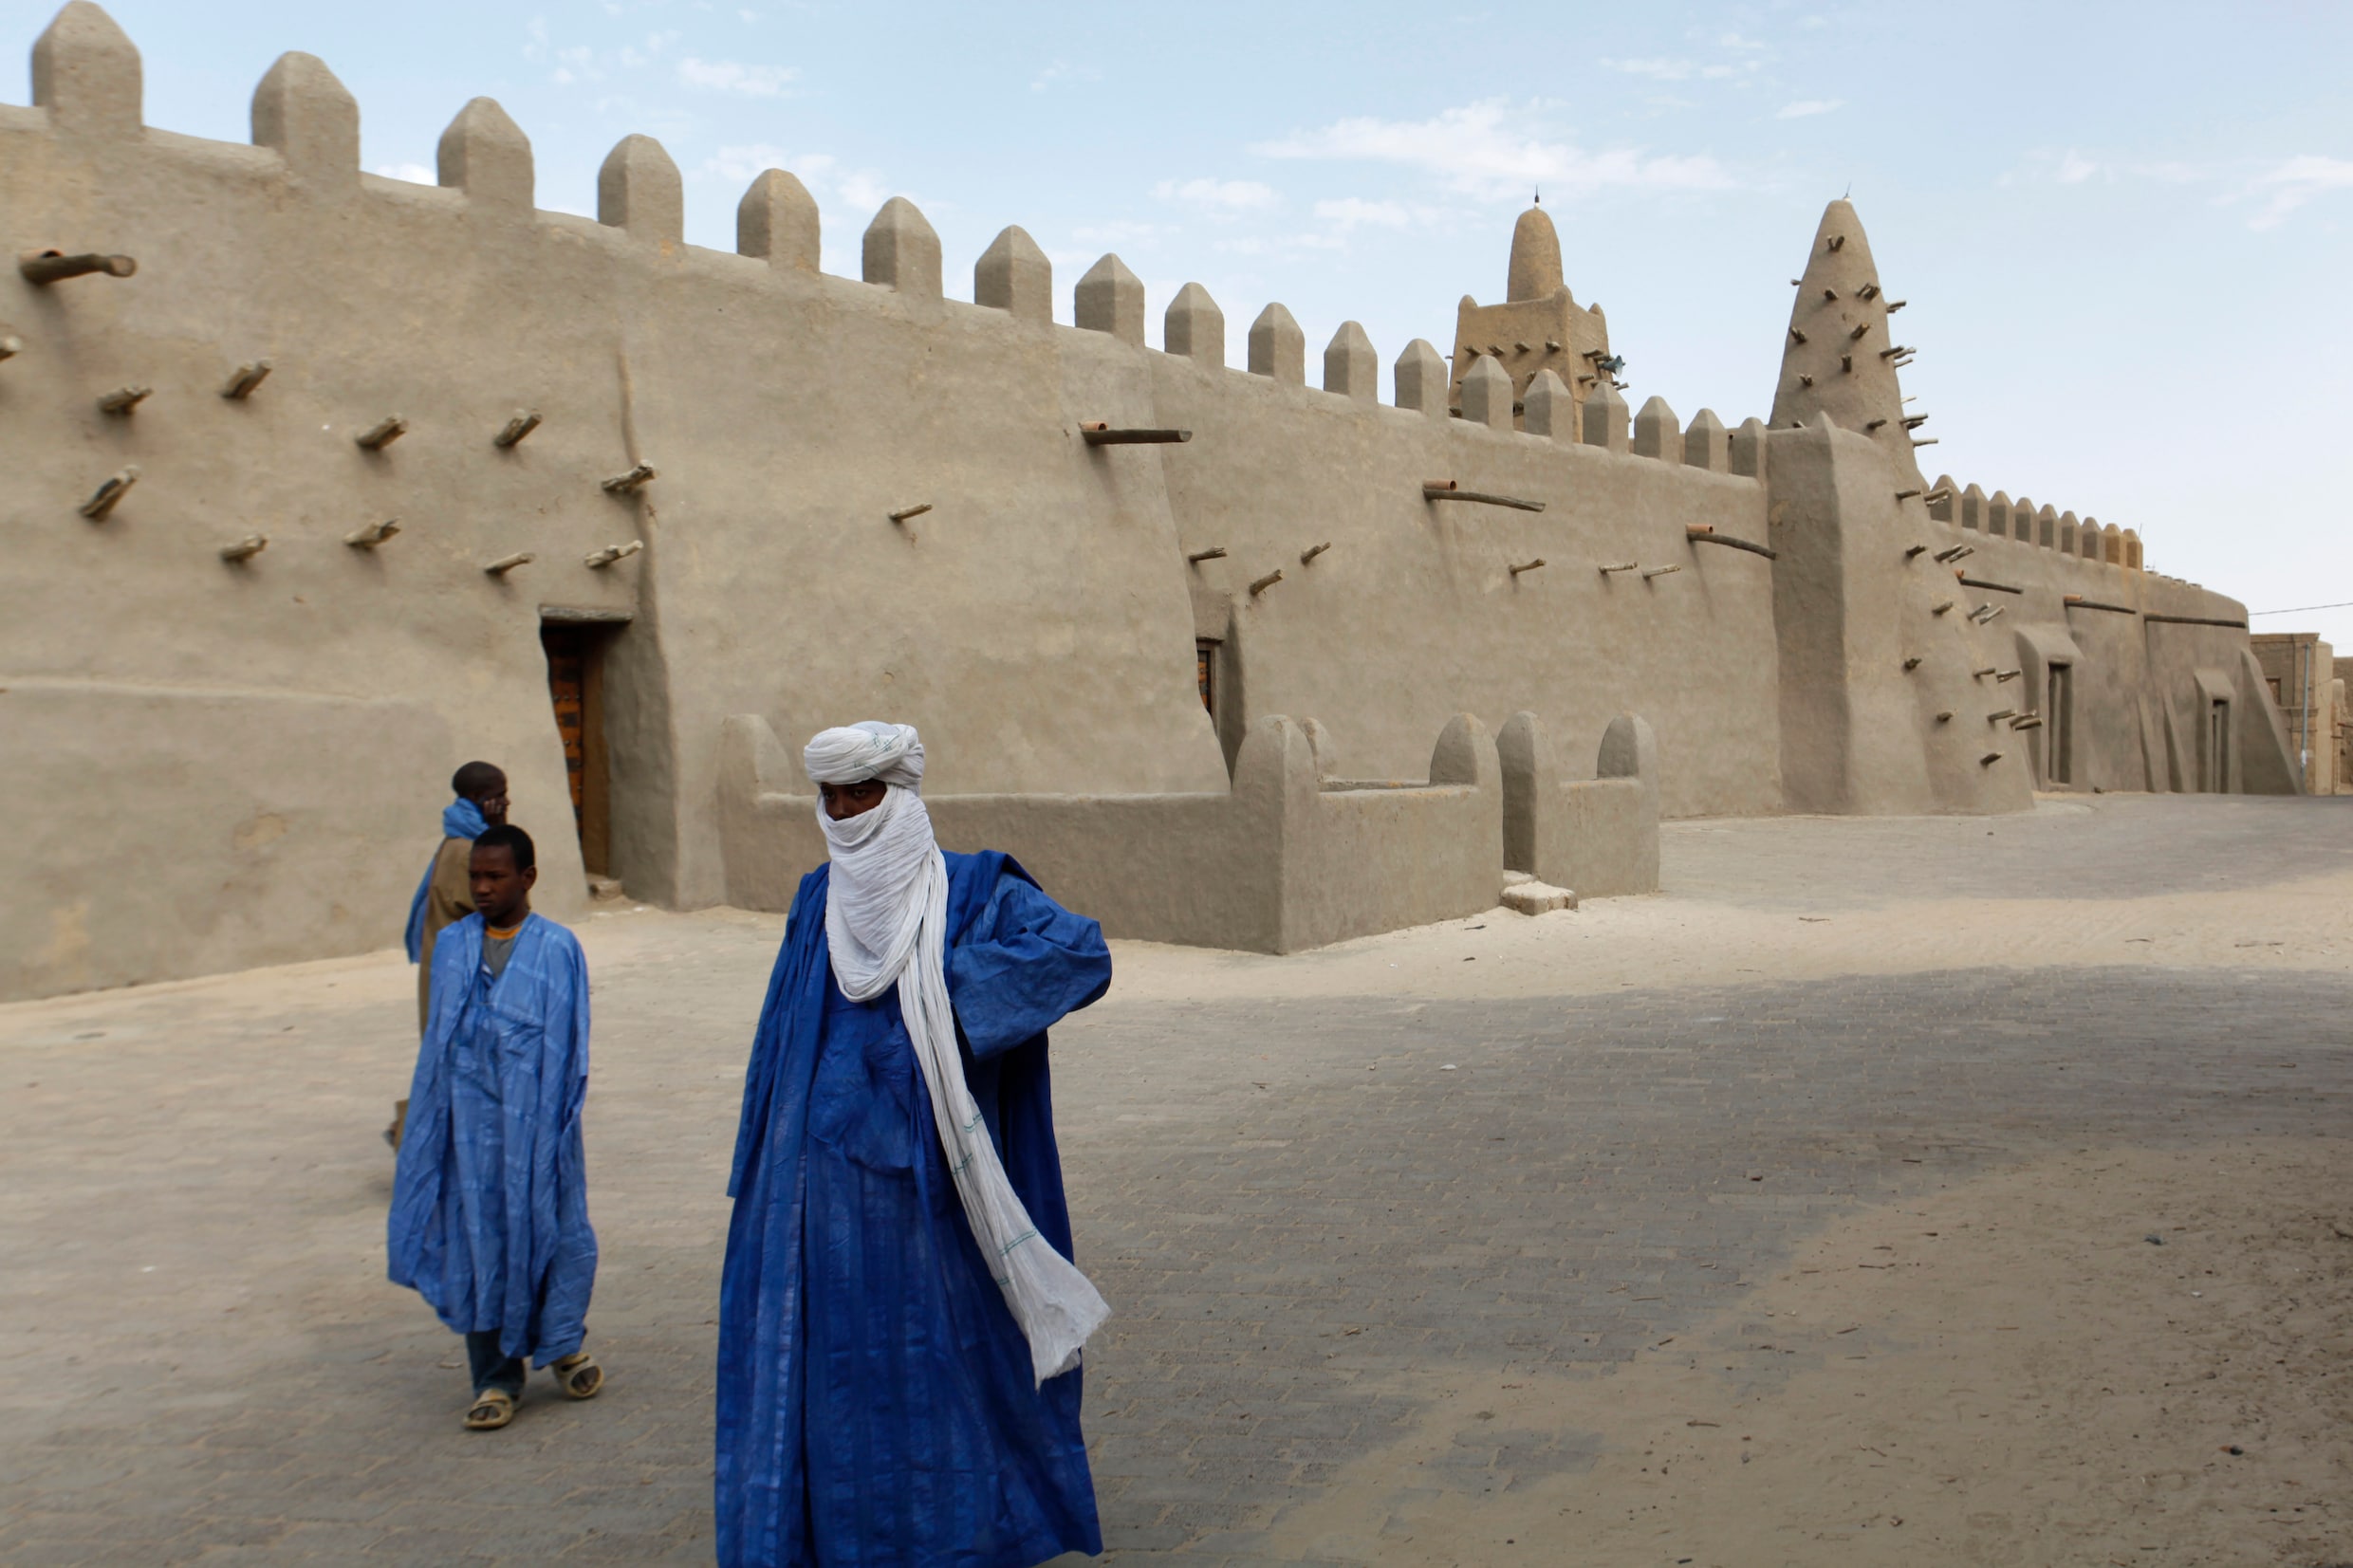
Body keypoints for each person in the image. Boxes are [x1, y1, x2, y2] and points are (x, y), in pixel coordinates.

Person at [715, 722, 1113, 1567]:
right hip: (818, 1202)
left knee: (943, 1366)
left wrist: (944, 1007)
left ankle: (958, 1535)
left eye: (864, 793)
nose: (847, 811)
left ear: (901, 795)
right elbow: (779, 1031)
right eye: (832, 796)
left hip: (937, 1198)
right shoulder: (813, 900)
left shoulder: (973, 891)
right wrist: (761, 1167)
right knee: (829, 1378)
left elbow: (1080, 953)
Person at [388, 822, 602, 1431]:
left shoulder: (557, 948)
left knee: (551, 1232)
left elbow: (569, 1046)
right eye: (474, 877)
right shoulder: (453, 947)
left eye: (494, 876)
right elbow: (435, 1044)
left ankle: (561, 1343)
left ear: (527, 878)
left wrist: (552, 1130)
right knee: (478, 1244)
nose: (481, 887)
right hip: (469, 1134)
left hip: (538, 1128)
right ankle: (495, 1378)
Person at [389, 761, 509, 1149]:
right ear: (478, 800)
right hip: (461, 976)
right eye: (498, 795)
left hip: (456, 971)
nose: (506, 802)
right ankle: (413, 1140)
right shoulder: (468, 851)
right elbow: (502, 911)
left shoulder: (466, 841)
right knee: (456, 1066)